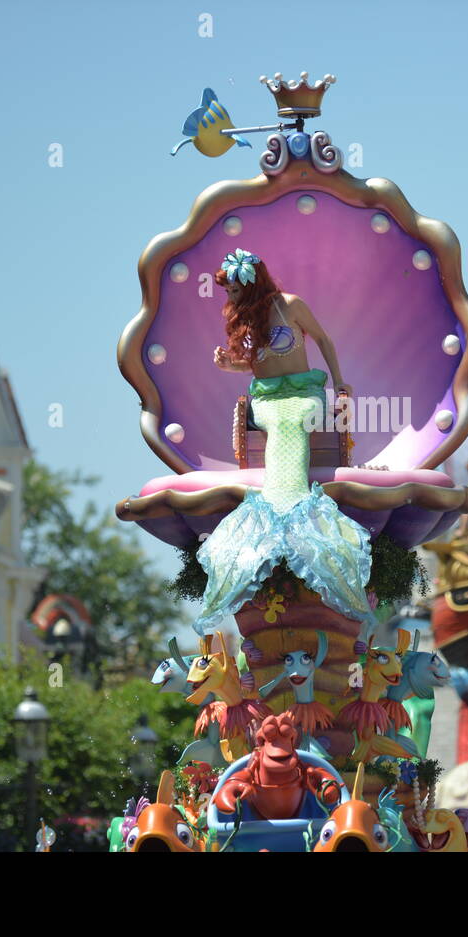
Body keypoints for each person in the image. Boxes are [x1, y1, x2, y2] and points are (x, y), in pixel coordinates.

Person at [196, 248, 378, 644]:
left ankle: (291, 507)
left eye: (233, 289)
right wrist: (231, 365)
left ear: (252, 284)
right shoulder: (242, 320)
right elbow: (257, 361)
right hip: (266, 397)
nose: (229, 298)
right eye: (227, 291)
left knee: (296, 422)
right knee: (279, 424)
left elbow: (324, 338)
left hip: (304, 390)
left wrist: (338, 379)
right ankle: (283, 510)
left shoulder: (291, 305)